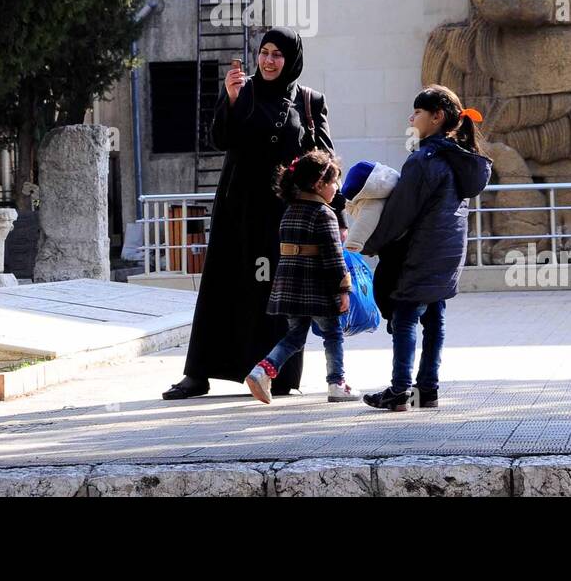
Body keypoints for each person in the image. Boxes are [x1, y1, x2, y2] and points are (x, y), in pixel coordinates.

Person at [163, 27, 341, 399]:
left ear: (291, 60)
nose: (268, 61)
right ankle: (199, 373)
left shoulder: (309, 101)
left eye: (277, 54)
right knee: (222, 286)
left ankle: (275, 374)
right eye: (264, 52)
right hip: (237, 209)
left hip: (283, 215)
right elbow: (219, 139)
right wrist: (230, 100)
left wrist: (336, 216)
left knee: (277, 291)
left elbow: (324, 163)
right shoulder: (241, 92)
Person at [359, 84, 492, 411]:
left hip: (421, 252)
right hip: (448, 254)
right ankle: (427, 390)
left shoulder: (424, 160)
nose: (411, 118)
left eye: (417, 112)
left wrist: (370, 243)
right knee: (434, 316)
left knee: (405, 315)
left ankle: (400, 391)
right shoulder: (461, 158)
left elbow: (400, 212)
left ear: (437, 117)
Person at [245, 149, 360, 404]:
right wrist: (343, 289)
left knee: (295, 336)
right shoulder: (324, 214)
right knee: (333, 334)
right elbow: (333, 257)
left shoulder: (290, 210)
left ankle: (262, 370)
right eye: (334, 182)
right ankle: (337, 384)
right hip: (318, 288)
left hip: (290, 285)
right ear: (319, 184)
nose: (336, 188)